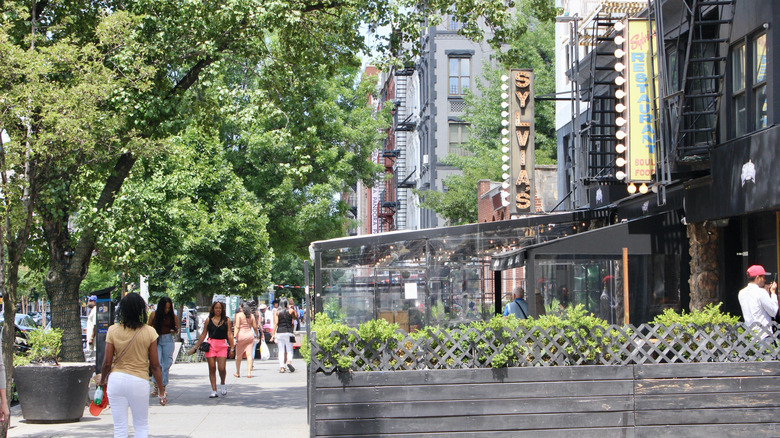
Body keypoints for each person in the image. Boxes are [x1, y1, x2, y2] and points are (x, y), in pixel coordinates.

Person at [99, 293, 167, 438]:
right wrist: (161, 390)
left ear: (122, 310)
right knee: (141, 425)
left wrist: (103, 379)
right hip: (139, 380)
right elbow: (155, 365)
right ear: (141, 311)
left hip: (116, 380)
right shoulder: (150, 332)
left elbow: (106, 362)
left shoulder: (113, 330)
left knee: (120, 427)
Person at [188, 301, 235, 398]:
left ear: (222, 310)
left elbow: (230, 334)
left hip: (222, 344)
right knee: (212, 367)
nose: (218, 310)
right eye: (216, 308)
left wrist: (232, 347)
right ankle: (214, 390)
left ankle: (222, 383)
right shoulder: (209, 320)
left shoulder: (226, 320)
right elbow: (203, 334)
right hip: (211, 345)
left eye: (220, 308)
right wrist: (196, 346)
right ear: (213, 309)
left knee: (221, 368)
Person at [148, 296, 179, 396]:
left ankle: (163, 386)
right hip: (156, 339)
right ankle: (156, 386)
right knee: (157, 364)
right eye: (165, 308)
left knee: (166, 364)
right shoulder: (154, 315)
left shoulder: (172, 316)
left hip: (168, 339)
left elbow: (176, 328)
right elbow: (148, 328)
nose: (167, 310)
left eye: (169, 308)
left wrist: (174, 329)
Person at [738, 265, 778, 341]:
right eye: (763, 277)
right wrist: (773, 293)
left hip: (750, 336)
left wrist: (765, 293)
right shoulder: (761, 292)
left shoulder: (741, 293)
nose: (765, 280)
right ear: (757, 278)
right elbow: (773, 311)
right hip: (763, 335)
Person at [233, 302, 258, 378]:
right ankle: (249, 372)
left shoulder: (239, 315)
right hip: (250, 336)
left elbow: (237, 327)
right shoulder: (251, 316)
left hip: (241, 336)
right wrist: (257, 335)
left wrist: (234, 337)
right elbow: (255, 327)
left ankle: (237, 372)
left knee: (238, 355)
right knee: (249, 354)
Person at [272, 298, 296, 373]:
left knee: (281, 350)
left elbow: (276, 323)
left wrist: (273, 334)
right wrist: (293, 309)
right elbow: (295, 317)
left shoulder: (277, 312)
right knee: (289, 349)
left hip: (280, 332)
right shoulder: (290, 311)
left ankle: (282, 367)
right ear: (286, 304)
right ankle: (289, 361)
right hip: (289, 332)